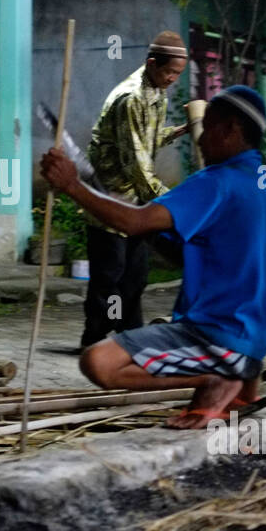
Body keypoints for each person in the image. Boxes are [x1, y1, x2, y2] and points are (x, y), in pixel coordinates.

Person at [41, 86, 266, 429]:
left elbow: (133, 221)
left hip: (216, 333)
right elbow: (184, 250)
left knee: (98, 362)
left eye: (208, 128)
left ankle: (215, 378)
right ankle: (237, 376)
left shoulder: (217, 182)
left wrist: (73, 187)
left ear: (231, 129)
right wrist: (148, 226)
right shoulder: (263, 181)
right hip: (252, 336)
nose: (199, 140)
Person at [81, 31, 189, 348]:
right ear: (152, 63)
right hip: (110, 201)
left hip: (136, 203)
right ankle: (95, 341)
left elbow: (148, 139)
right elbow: (136, 165)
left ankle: (131, 339)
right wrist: (175, 205)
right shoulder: (130, 99)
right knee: (108, 277)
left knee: (136, 276)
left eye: (178, 74)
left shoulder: (157, 90)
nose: (172, 79)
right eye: (169, 72)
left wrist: (180, 130)